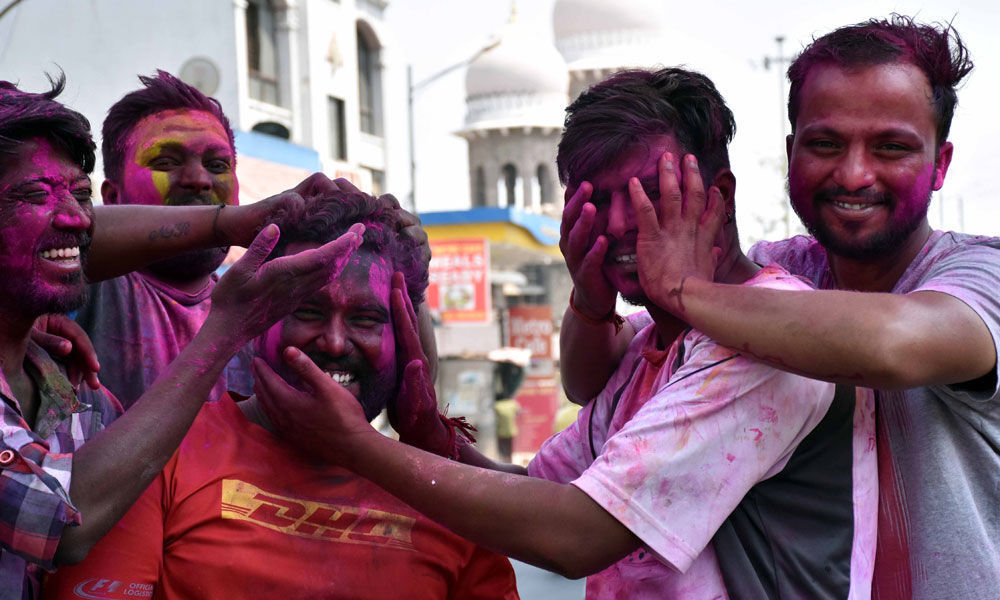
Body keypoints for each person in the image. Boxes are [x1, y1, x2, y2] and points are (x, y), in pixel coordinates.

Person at [248, 68, 877, 599]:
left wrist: (358, 446)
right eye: (596, 199)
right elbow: (539, 496)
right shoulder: (646, 345)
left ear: (720, 195)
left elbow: (578, 534)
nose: (623, 222)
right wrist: (423, 431)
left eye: (650, 191)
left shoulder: (764, 345)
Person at [561, 15, 1000, 600]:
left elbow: (892, 345)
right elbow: (604, 367)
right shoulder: (771, 277)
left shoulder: (981, 274)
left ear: (940, 164)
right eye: (825, 144)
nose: (853, 174)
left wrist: (683, 292)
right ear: (791, 152)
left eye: (891, 148)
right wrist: (592, 303)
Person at [44, 192, 520, 600]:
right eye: (306, 310)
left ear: (406, 335)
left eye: (366, 320)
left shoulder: (458, 497)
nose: (334, 342)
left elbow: (574, 514)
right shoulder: (158, 460)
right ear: (258, 318)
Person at [0, 75, 362, 599]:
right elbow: (65, 519)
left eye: (217, 166)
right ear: (116, 199)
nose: (73, 218)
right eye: (167, 162)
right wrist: (224, 322)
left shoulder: (66, 380)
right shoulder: (82, 297)